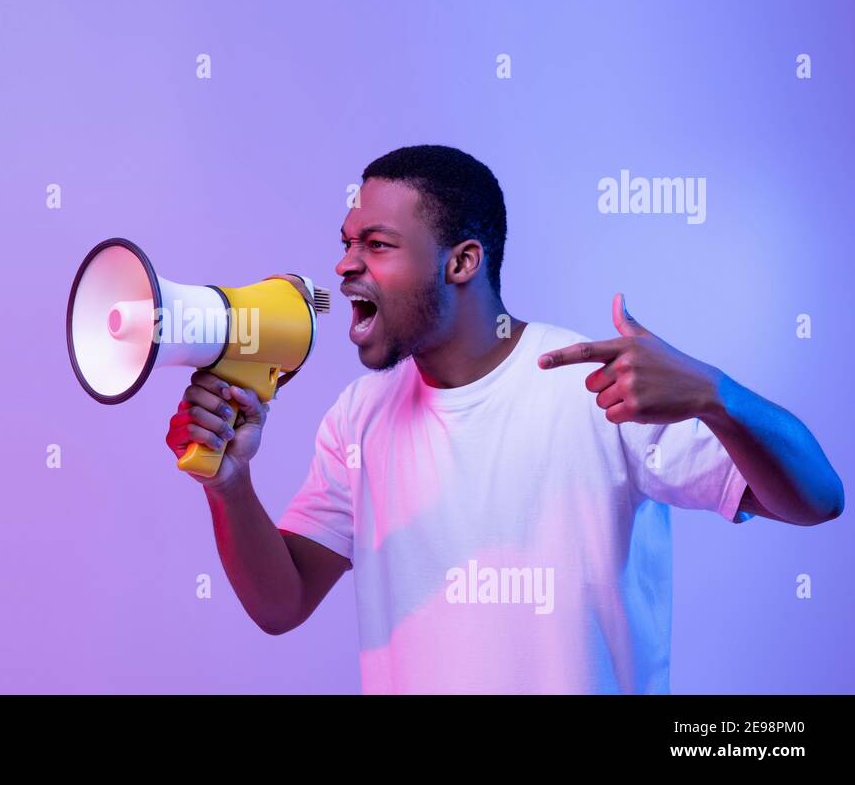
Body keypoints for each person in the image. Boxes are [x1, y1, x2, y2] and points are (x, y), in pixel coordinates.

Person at [164, 145, 844, 694]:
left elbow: (818, 498)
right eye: (346, 242)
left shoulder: (599, 385)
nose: (343, 265)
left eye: (376, 244)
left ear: (462, 261)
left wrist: (712, 394)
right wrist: (229, 483)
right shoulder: (357, 417)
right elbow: (281, 604)